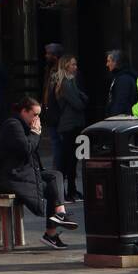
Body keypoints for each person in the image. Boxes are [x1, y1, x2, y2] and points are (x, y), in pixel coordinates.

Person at [0, 96, 78, 249]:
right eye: (34, 114)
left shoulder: (23, 125)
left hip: (26, 173)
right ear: (24, 111)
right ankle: (51, 233)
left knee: (56, 176)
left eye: (39, 115)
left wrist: (33, 134)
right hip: (13, 177)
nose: (37, 118)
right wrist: (35, 134)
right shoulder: (13, 125)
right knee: (52, 188)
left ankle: (60, 213)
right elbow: (26, 149)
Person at [53, 54, 89, 202]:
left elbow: (83, 99)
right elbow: (79, 103)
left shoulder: (71, 82)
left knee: (73, 159)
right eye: (73, 64)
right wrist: (82, 98)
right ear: (66, 65)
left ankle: (71, 190)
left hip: (74, 124)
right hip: (69, 125)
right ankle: (67, 192)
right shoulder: (66, 84)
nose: (76, 67)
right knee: (68, 159)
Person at [42, 42, 64, 175]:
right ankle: (58, 170)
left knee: (58, 144)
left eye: (49, 54)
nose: (46, 56)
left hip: (58, 114)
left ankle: (59, 170)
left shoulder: (59, 71)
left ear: (55, 56)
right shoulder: (50, 70)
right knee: (55, 142)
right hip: (51, 113)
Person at [106, 50, 138, 117]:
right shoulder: (119, 76)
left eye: (109, 61)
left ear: (116, 62)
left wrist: (113, 118)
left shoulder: (124, 79)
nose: (107, 64)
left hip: (121, 119)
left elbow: (121, 102)